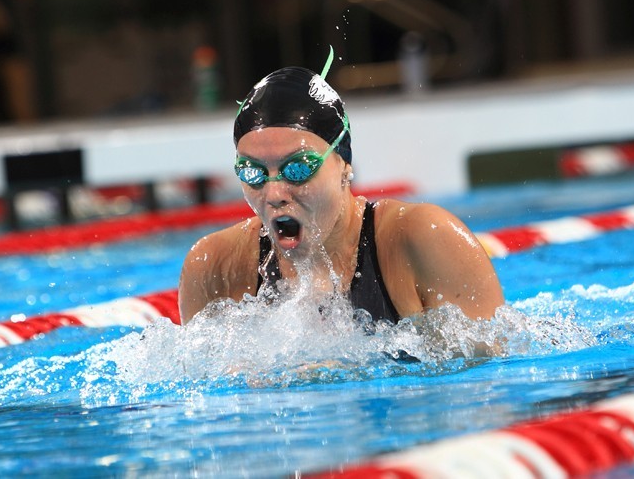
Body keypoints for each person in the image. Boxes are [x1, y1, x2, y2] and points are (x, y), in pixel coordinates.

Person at [178, 58, 504, 326]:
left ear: (344, 163)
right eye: (253, 172)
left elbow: (493, 378)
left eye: (299, 167)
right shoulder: (215, 267)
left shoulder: (423, 239)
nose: (274, 192)